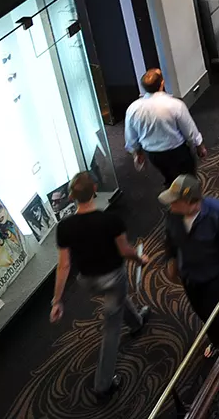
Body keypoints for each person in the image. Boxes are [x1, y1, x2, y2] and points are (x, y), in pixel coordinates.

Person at [50, 172, 149, 403]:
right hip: (113, 277)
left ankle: (136, 322)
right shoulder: (110, 221)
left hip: (88, 281)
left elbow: (64, 266)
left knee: (117, 300)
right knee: (112, 327)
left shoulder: (64, 228)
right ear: (95, 188)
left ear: (72, 196)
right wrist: (140, 259)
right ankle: (103, 385)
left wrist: (57, 300)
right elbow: (125, 251)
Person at [158, 175, 219, 355]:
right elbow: (171, 239)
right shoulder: (174, 216)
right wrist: (172, 263)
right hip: (189, 274)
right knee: (200, 310)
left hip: (212, 274)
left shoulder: (216, 212)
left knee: (215, 310)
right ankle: (218, 338)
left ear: (190, 202)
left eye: (175, 202)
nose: (170, 205)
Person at [123, 68, 205, 184]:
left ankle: (173, 196)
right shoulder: (175, 105)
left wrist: (137, 152)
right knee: (188, 180)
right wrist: (199, 146)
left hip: (153, 154)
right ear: (162, 83)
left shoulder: (133, 109)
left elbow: (131, 136)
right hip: (177, 152)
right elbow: (189, 130)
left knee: (169, 178)